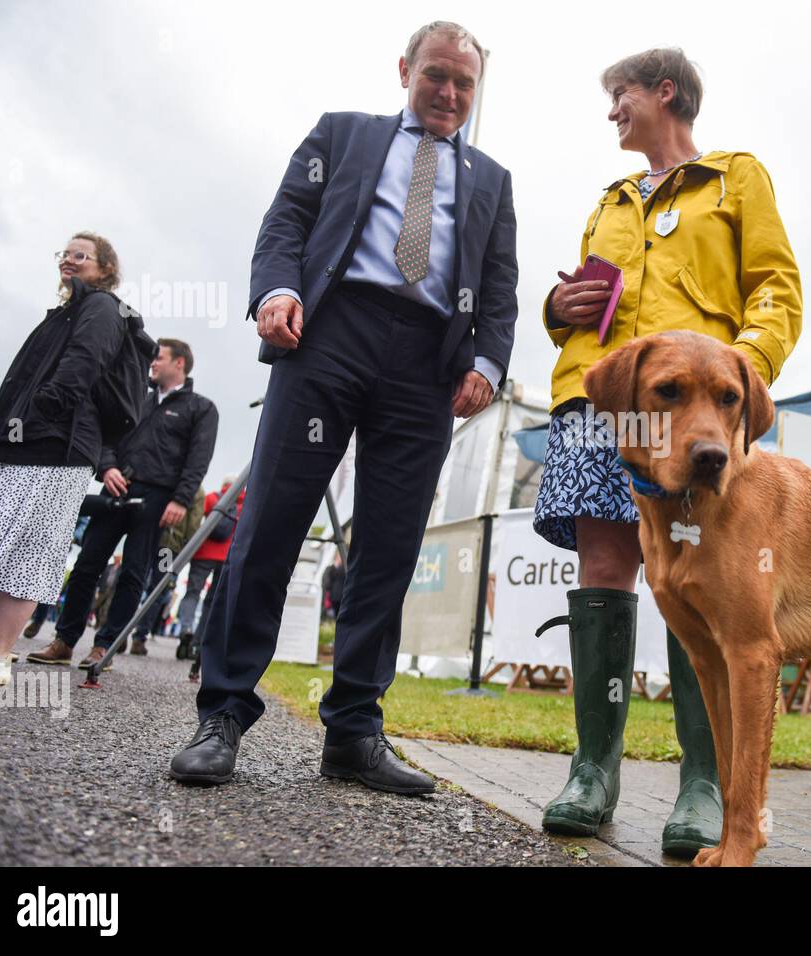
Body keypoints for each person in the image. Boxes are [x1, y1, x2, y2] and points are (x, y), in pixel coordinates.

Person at [170, 20, 518, 791]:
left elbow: (499, 288)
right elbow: (286, 220)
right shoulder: (343, 134)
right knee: (271, 524)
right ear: (405, 69)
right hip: (329, 334)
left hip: (426, 364)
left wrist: (489, 362)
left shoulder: (493, 180)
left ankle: (354, 730)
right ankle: (223, 711)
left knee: (390, 548)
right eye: (437, 76)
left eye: (465, 83)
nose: (451, 94)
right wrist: (278, 290)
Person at [532, 48, 802, 856]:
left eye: (620, 94)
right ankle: (593, 772)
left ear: (665, 92)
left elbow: (778, 287)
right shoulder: (609, 201)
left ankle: (704, 785)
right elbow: (584, 317)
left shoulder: (735, 178)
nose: (612, 109)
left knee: (714, 592)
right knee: (607, 569)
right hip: (603, 401)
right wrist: (557, 304)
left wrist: (740, 374)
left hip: (697, 416)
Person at [0, 232, 140, 685]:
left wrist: (44, 407)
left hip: (53, 444)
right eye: (64, 253)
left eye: (81, 255)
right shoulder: (67, 310)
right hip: (21, 438)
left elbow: (85, 361)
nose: (69, 259)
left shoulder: (101, 307)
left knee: (27, 548)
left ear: (105, 268)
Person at [27, 338, 218, 669]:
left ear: (179, 364)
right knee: (87, 565)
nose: (152, 364)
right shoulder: (134, 399)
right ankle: (64, 641)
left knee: (133, 572)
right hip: (116, 489)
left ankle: (105, 646)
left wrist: (181, 500)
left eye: (158, 359)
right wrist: (108, 467)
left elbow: (197, 460)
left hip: (158, 498)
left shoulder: (200, 409)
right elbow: (107, 438)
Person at [174, 478, 244, 661]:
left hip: (203, 554)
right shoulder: (245, 504)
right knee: (212, 601)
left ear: (224, 485)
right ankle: (198, 641)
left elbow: (195, 521)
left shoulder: (212, 498)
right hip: (227, 557)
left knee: (192, 593)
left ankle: (185, 629)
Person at [131, 485, 206, 655]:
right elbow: (194, 523)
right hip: (169, 547)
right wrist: (187, 547)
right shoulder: (197, 490)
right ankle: (139, 637)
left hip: (148, 537)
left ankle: (117, 631)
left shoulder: (168, 477)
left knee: (135, 580)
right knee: (158, 589)